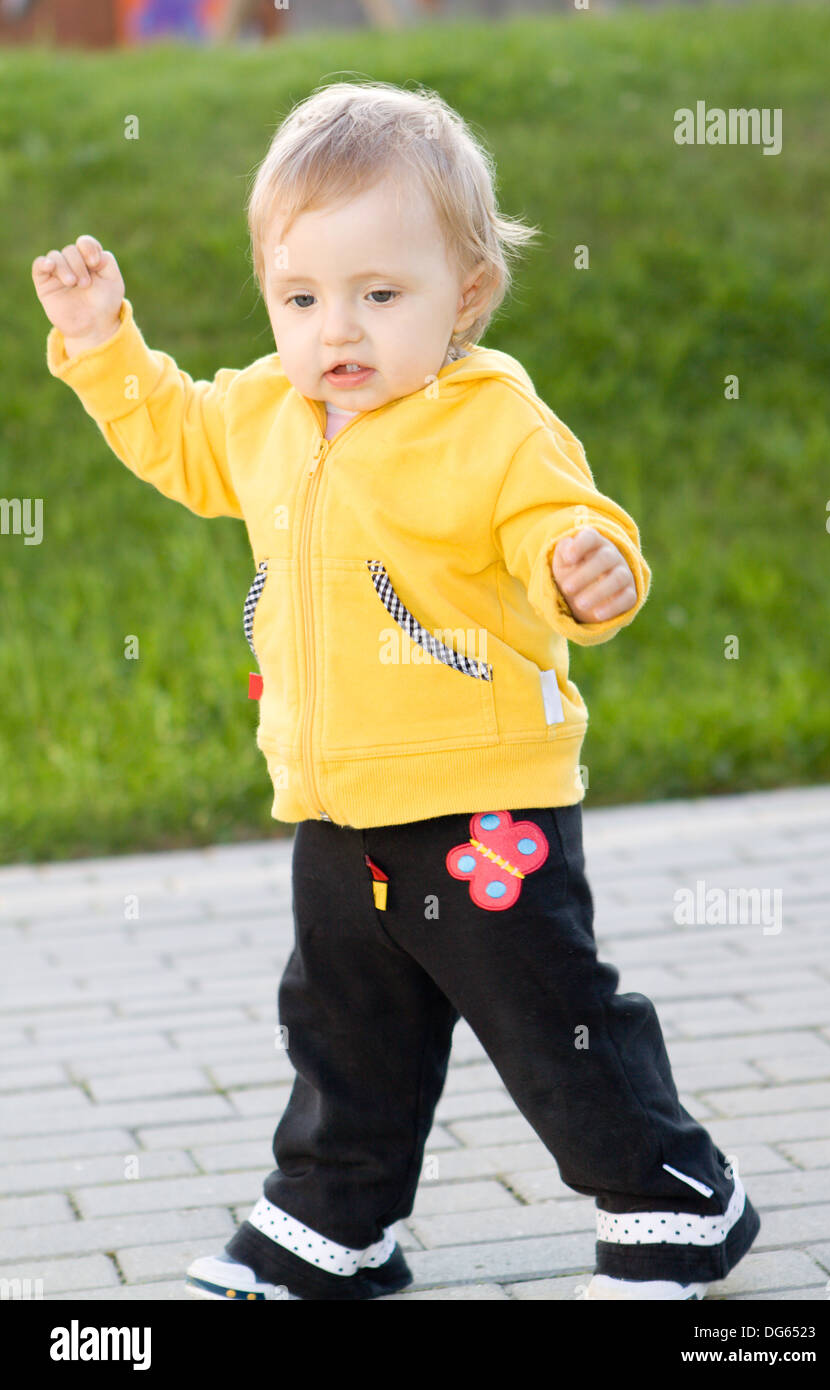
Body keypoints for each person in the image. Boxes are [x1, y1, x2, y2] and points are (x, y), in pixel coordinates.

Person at [33, 79, 760, 1301]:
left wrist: (589, 572)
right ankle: (333, 1223)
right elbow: (173, 432)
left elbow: (567, 527)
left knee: (547, 1020)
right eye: (301, 298)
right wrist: (105, 344)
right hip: (334, 799)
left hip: (483, 807)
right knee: (342, 1033)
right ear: (267, 288)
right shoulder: (270, 409)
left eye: (380, 295)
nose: (338, 333)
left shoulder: (491, 422)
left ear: (464, 295)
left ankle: (669, 1196)